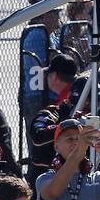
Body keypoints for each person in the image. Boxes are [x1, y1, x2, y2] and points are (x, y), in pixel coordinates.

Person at [27, 52, 79, 187]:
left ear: (54, 76)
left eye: (49, 74)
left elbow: (39, 136)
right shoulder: (76, 95)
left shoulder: (67, 101)